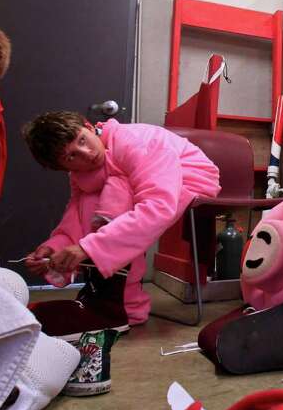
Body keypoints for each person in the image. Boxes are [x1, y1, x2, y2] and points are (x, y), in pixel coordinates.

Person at [22, 112, 220, 325]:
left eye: (82, 140)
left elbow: (158, 206)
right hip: (146, 183)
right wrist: (56, 246)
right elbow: (75, 211)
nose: (87, 154)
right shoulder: (80, 173)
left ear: (89, 127)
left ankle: (124, 307)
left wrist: (90, 248)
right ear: (63, 168)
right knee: (91, 200)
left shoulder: (134, 143)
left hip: (189, 175)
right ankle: (103, 299)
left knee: (118, 194)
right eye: (71, 157)